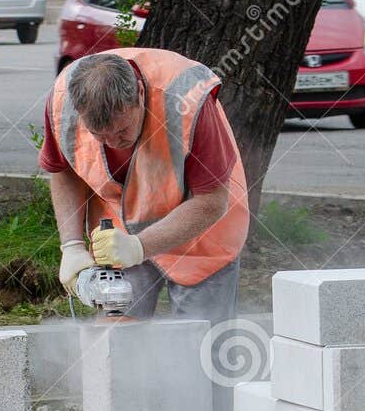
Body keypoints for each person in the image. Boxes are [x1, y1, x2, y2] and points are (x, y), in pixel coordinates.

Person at [43, 49, 249, 330]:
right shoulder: (62, 104)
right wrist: (72, 246)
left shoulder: (187, 100)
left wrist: (140, 246)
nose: (113, 142)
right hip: (119, 236)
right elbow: (62, 168)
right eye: (98, 135)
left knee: (203, 348)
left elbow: (211, 200)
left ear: (139, 94)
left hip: (203, 235)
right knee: (115, 342)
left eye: (121, 130)